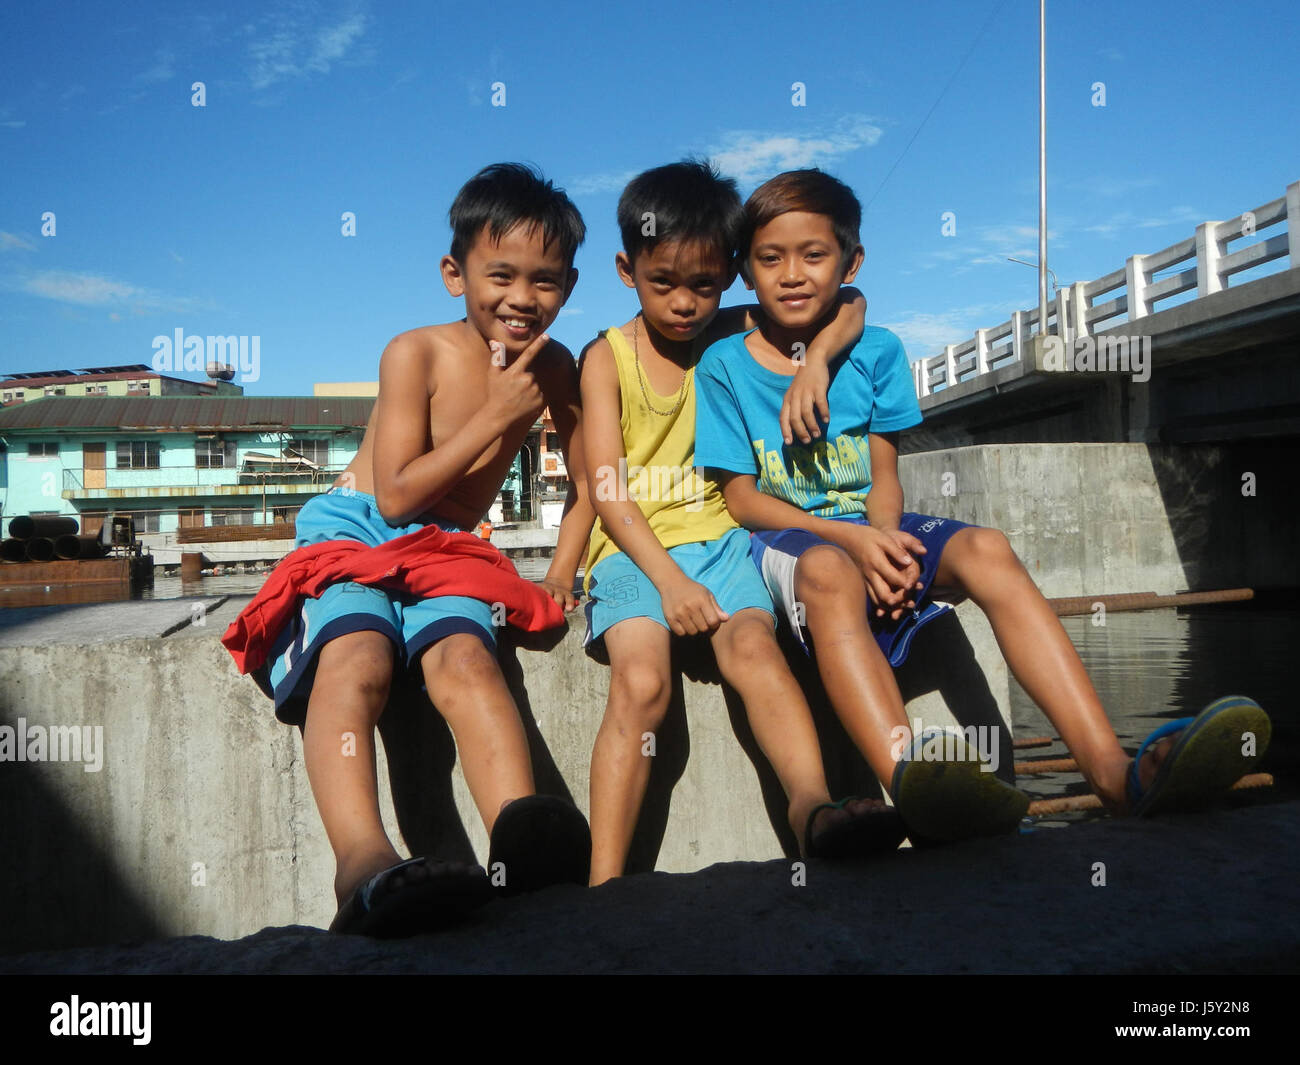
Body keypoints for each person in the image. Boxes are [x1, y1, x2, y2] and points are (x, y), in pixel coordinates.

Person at [693, 168, 1271, 842]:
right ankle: (914, 781)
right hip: (791, 539)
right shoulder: (725, 365)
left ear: (849, 262)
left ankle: (1114, 773)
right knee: (829, 570)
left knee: (988, 548)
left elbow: (885, 472)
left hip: (865, 529)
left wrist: (886, 540)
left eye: (814, 255)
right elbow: (742, 500)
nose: (792, 274)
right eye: (770, 258)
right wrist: (850, 543)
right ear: (744, 270)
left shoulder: (876, 351)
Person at [223, 163, 597, 935]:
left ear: (568, 284)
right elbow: (395, 493)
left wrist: (562, 569)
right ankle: (362, 864)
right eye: (501, 275)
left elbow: (596, 482)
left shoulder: (557, 368)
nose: (523, 299)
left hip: (450, 546)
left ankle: (517, 841)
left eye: (547, 280)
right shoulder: (415, 352)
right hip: (359, 527)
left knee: (467, 662)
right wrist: (497, 415)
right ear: (454, 273)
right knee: (357, 659)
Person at [580, 160, 905, 886]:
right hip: (637, 551)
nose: (685, 304)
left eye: (704, 284)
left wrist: (819, 354)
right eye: (662, 282)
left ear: (730, 275)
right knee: (642, 680)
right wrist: (666, 581)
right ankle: (602, 882)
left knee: (756, 651)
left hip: (725, 541)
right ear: (626, 269)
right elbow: (607, 490)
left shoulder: (730, 332)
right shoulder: (607, 357)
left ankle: (812, 810)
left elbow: (850, 300)